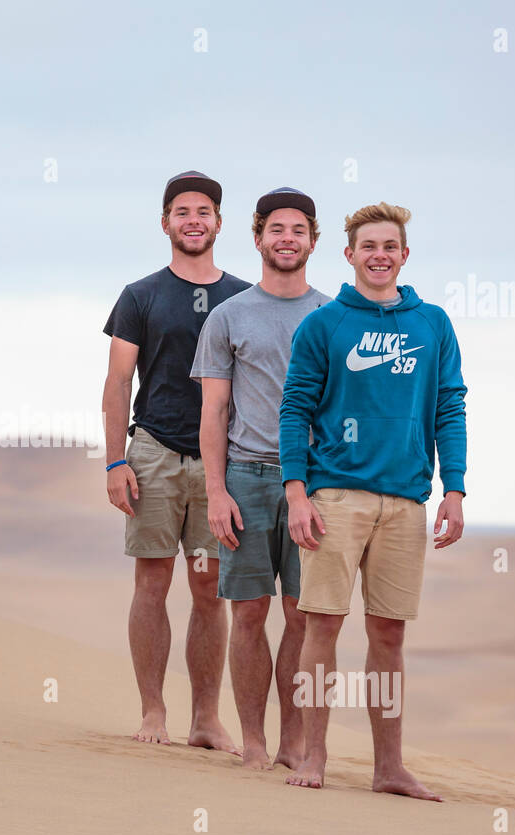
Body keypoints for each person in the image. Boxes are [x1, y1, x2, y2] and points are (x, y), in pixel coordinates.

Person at [277, 202, 467, 800]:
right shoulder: (325, 324)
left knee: (388, 636)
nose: (379, 255)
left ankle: (389, 767)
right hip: (335, 496)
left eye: (390, 246)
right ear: (350, 255)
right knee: (322, 625)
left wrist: (454, 489)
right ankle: (314, 755)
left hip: (406, 502)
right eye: (368, 246)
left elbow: (450, 407)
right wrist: (297, 493)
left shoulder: (433, 323)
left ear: (404, 255)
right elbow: (294, 411)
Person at [101, 171, 251, 751]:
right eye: (182, 211)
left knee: (211, 587)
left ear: (219, 223)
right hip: (155, 453)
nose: (194, 221)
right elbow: (116, 383)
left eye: (204, 212)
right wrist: (116, 463)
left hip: (223, 463)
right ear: (165, 222)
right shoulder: (140, 295)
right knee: (152, 580)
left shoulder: (243, 297)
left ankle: (207, 719)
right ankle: (153, 711)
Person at [191, 187, 332, 770]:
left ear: (313, 241)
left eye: (298, 229)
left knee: (302, 617)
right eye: (277, 229)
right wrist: (216, 491)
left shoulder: (333, 316)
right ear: (257, 239)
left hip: (314, 486)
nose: (287, 239)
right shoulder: (228, 316)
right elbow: (213, 414)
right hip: (246, 479)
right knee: (249, 613)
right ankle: (252, 742)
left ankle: (294, 745)